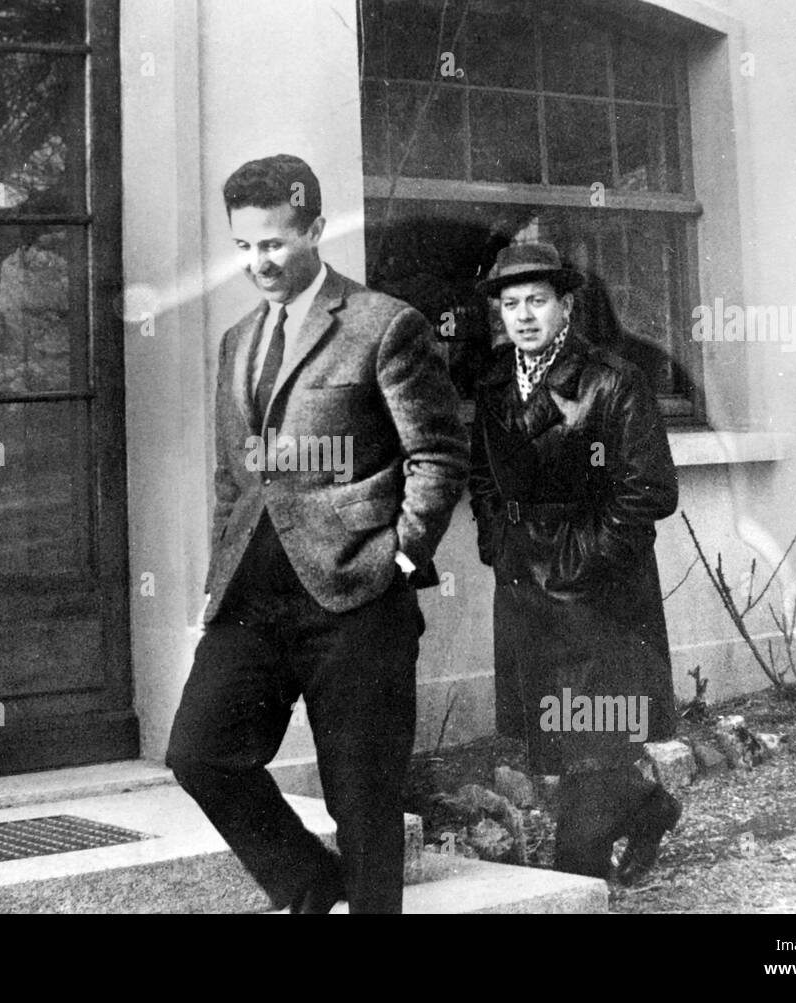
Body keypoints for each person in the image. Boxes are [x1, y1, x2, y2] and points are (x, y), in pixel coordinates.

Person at [166, 154, 469, 913]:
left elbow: (436, 453)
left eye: (272, 244)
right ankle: (306, 881)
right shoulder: (237, 341)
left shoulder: (382, 325)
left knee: (362, 797)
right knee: (200, 752)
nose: (257, 263)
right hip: (254, 598)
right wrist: (216, 582)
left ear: (315, 230)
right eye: (242, 248)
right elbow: (232, 480)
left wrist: (398, 556)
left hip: (357, 595)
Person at [469, 241, 681, 883]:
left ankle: (581, 874)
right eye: (511, 304)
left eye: (538, 301)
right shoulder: (495, 386)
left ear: (565, 306)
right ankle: (650, 806)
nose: (524, 316)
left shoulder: (613, 381)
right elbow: (484, 478)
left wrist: (577, 563)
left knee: (597, 737)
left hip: (600, 598)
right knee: (561, 742)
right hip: (525, 589)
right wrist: (497, 543)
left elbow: (651, 490)